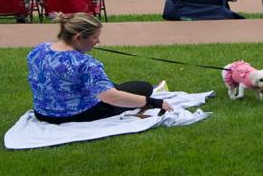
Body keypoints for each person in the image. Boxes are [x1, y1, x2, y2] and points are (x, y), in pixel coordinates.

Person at [27, 14, 172, 124]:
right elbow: (111, 98)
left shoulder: (38, 50)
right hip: (77, 114)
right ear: (78, 37)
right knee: (143, 87)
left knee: (115, 86)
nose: (98, 42)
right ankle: (153, 91)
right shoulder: (85, 63)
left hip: (42, 112)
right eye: (95, 38)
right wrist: (153, 102)